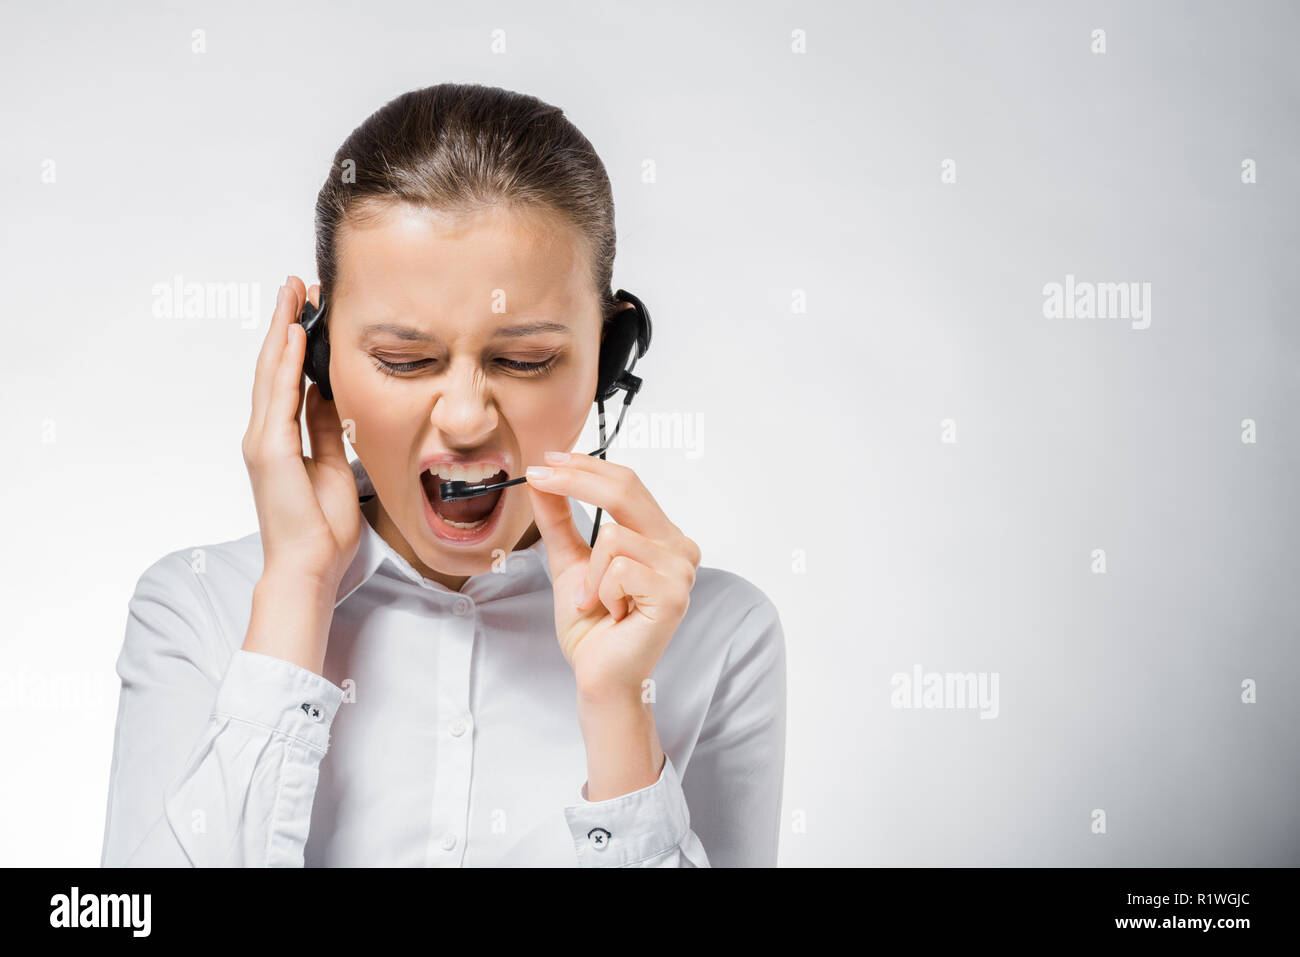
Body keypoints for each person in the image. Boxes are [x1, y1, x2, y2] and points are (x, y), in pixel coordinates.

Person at [99, 83, 786, 867]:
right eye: (404, 359)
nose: (465, 418)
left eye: (525, 359)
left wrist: (618, 711)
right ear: (316, 358)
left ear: (609, 360)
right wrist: (297, 592)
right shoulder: (196, 608)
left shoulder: (722, 635)